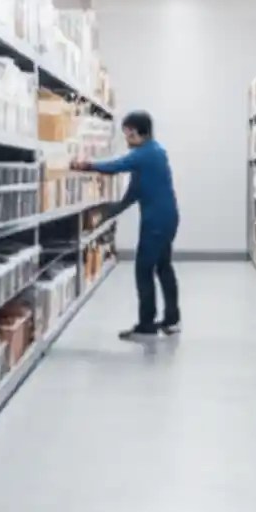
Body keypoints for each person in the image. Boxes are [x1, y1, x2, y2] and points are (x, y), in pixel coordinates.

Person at [70, 111, 180, 341]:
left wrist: (85, 165)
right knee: (163, 267)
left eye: (127, 132)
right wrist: (113, 210)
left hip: (156, 221)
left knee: (144, 269)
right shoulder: (155, 152)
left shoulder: (145, 154)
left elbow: (116, 166)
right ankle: (172, 319)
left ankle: (146, 324)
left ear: (134, 131)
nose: (126, 138)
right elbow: (135, 191)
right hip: (166, 218)